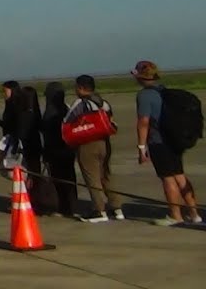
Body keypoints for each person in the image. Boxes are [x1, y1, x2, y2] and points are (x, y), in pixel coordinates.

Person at [132, 60, 203, 226]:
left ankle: (175, 215)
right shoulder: (164, 91)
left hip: (159, 142)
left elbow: (144, 121)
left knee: (168, 178)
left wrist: (142, 147)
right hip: (174, 140)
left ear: (140, 77)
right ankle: (194, 214)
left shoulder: (144, 95)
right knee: (180, 176)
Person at [66, 74, 124, 222]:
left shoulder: (80, 103)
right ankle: (117, 208)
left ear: (80, 87)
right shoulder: (103, 103)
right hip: (104, 142)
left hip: (87, 144)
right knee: (106, 175)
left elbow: (67, 122)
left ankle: (99, 210)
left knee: (92, 177)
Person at [41, 81, 78, 217]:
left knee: (59, 179)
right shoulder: (66, 108)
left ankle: (64, 207)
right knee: (69, 178)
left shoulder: (50, 111)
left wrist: (45, 153)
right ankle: (71, 206)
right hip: (68, 149)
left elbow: (49, 134)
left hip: (55, 150)